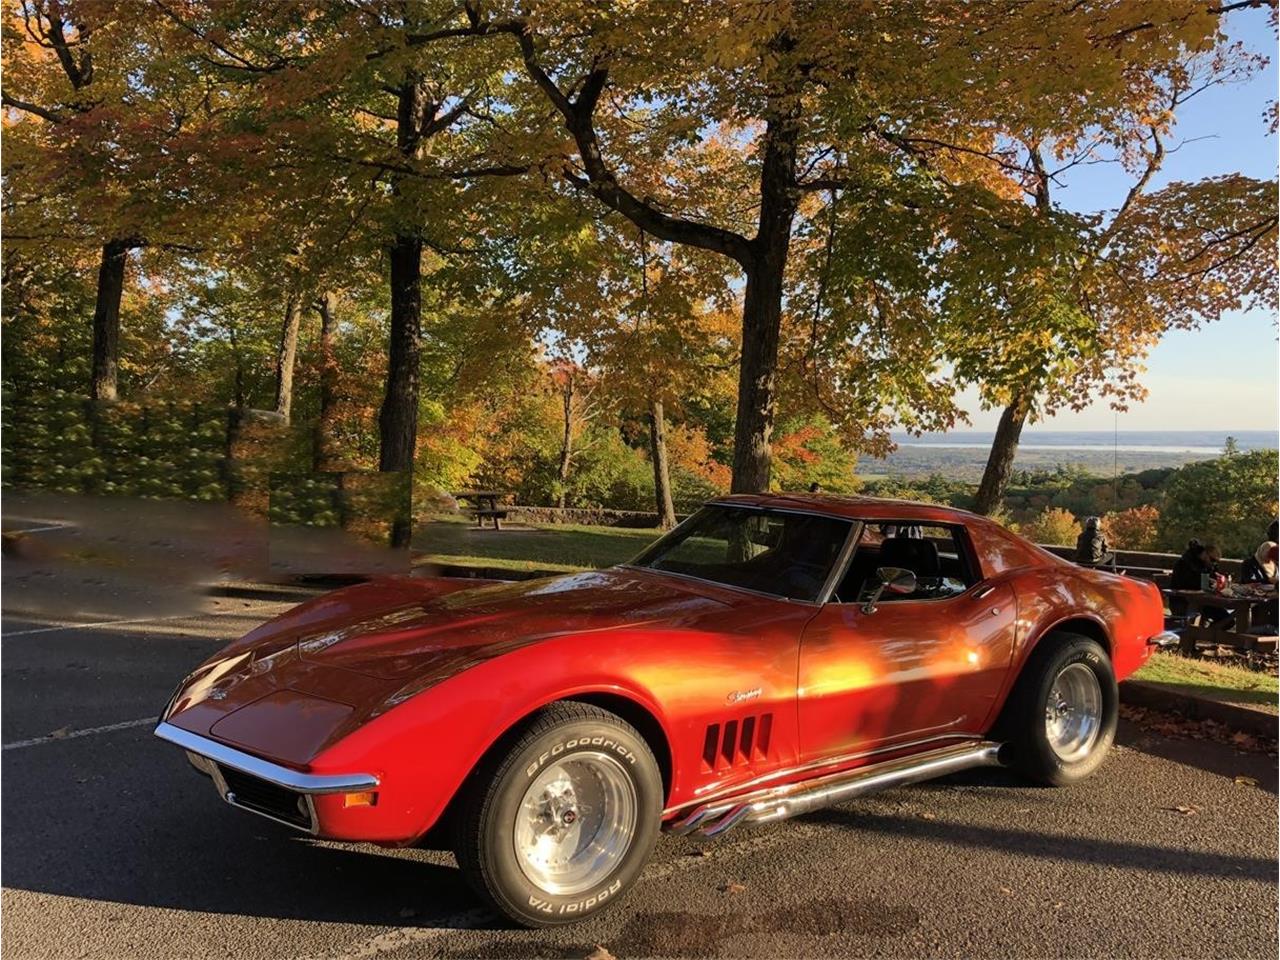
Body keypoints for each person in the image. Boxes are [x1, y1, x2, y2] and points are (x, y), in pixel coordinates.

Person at [1171, 539, 1230, 626]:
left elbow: (1207, 585)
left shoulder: (1208, 567)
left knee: (1227, 621)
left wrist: (1215, 582)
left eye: (1216, 562)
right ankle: (1203, 635)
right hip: (1183, 600)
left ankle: (1207, 635)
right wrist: (1207, 582)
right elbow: (1186, 583)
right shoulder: (1185, 563)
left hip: (1203, 601)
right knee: (1190, 623)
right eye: (1212, 560)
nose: (1213, 563)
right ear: (1205, 554)